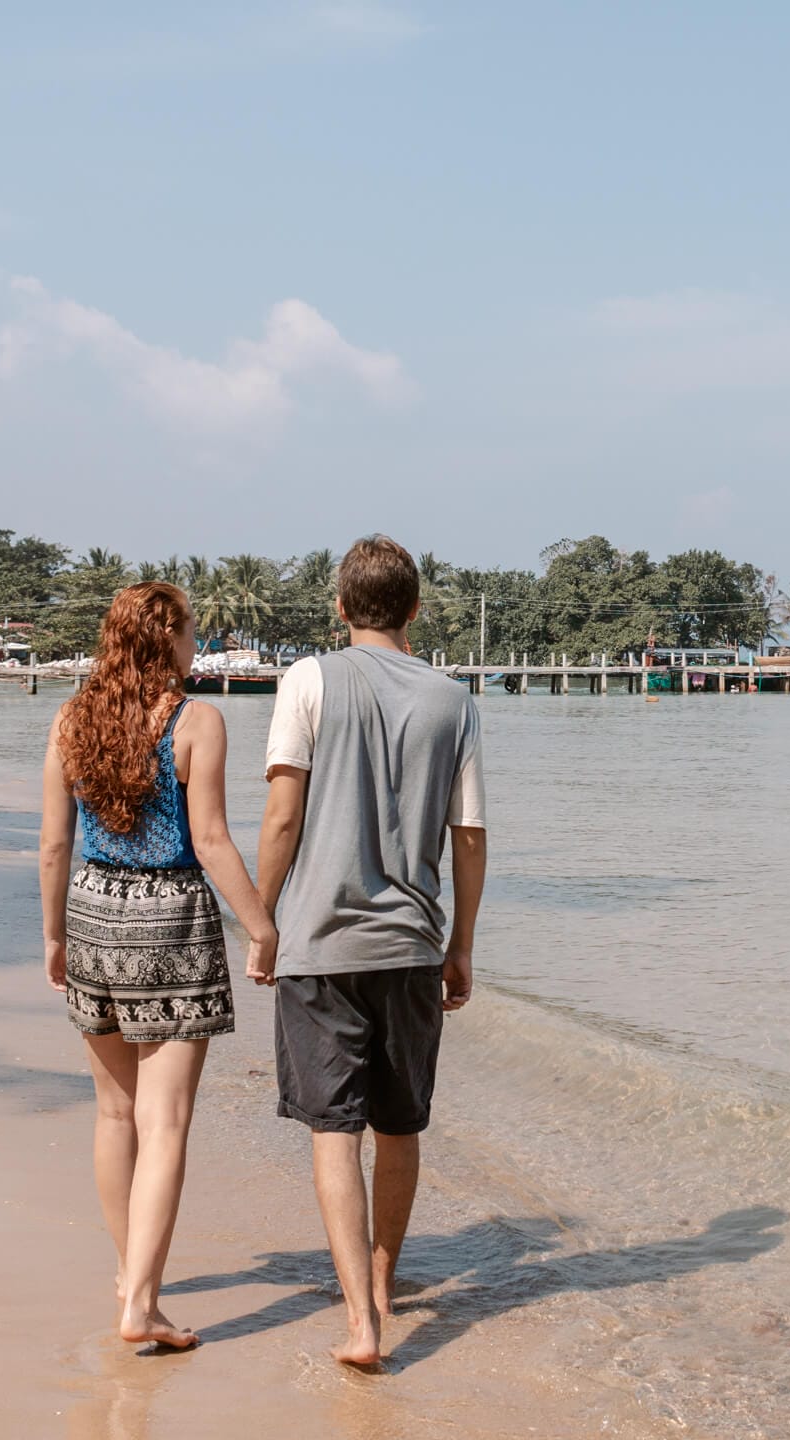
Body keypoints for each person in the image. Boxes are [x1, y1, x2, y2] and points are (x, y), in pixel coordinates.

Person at [256, 535, 487, 1370]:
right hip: (412, 944)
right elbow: (469, 837)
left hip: (320, 943)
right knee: (398, 1125)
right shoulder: (454, 700)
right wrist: (460, 944)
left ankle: (362, 1321)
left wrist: (261, 920)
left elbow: (283, 816)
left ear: (342, 607)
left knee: (332, 1133)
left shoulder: (307, 680)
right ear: (416, 609)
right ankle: (386, 1281)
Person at [40, 582, 278, 1350]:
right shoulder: (195, 722)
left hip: (91, 913)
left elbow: (52, 844)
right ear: (166, 638)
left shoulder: (72, 719)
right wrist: (261, 926)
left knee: (115, 1114)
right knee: (164, 1121)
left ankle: (128, 1274)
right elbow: (208, 842)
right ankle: (141, 1304)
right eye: (190, 634)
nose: (194, 647)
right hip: (169, 920)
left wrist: (54, 937)